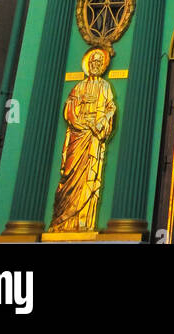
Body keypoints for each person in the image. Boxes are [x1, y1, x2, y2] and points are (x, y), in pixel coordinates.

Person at [48, 47, 116, 232]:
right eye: (93, 62)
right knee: (70, 174)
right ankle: (62, 221)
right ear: (88, 65)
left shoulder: (105, 87)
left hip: (92, 137)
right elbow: (69, 109)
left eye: (99, 63)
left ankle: (83, 220)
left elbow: (111, 108)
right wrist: (80, 121)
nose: (95, 65)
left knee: (89, 175)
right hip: (78, 134)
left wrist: (99, 124)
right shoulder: (79, 87)